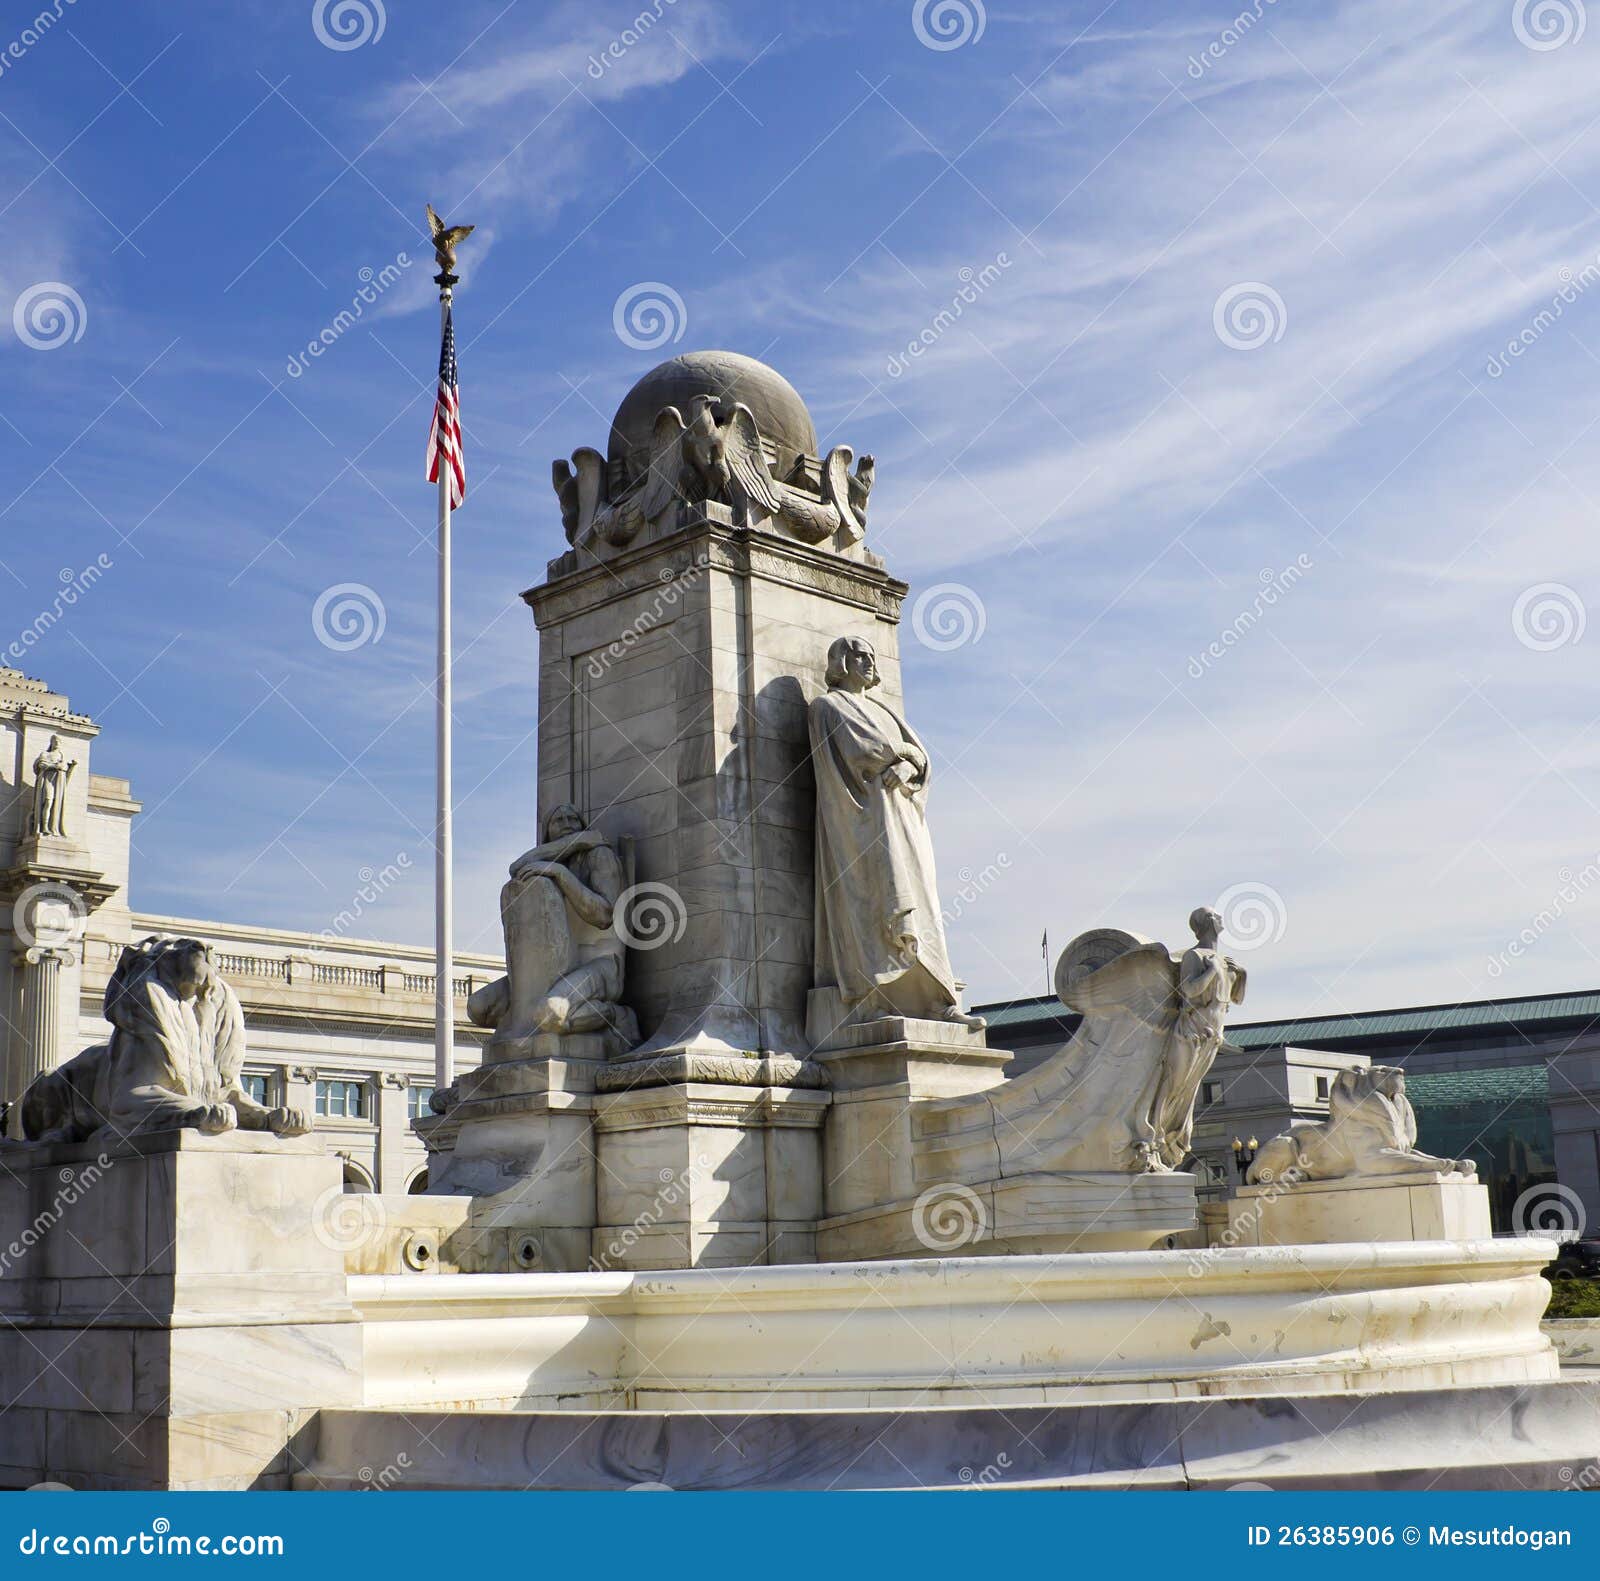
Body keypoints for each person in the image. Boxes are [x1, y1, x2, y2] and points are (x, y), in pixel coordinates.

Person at [808, 635, 982, 1031]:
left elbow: (917, 756)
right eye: (858, 656)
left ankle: (938, 1000)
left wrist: (912, 763)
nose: (868, 662)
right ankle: (879, 998)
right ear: (841, 662)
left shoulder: (885, 709)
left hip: (904, 815)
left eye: (871, 655)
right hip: (866, 818)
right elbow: (866, 751)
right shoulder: (827, 706)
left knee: (922, 903)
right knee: (881, 898)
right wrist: (905, 757)